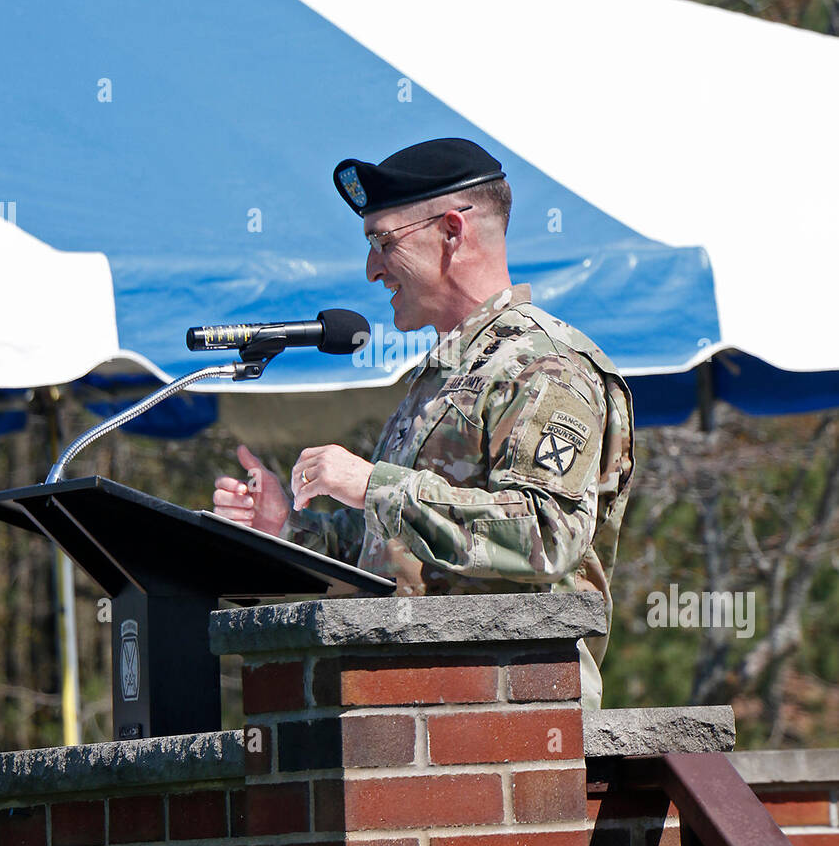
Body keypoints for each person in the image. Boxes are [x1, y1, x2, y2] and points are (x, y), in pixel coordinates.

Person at [213, 137, 634, 709]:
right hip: (412, 719)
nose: (371, 270)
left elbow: (546, 533)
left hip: (516, 723)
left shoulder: (545, 366)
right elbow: (396, 556)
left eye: (384, 242)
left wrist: (372, 485)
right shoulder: (439, 377)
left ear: (453, 232)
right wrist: (286, 529)